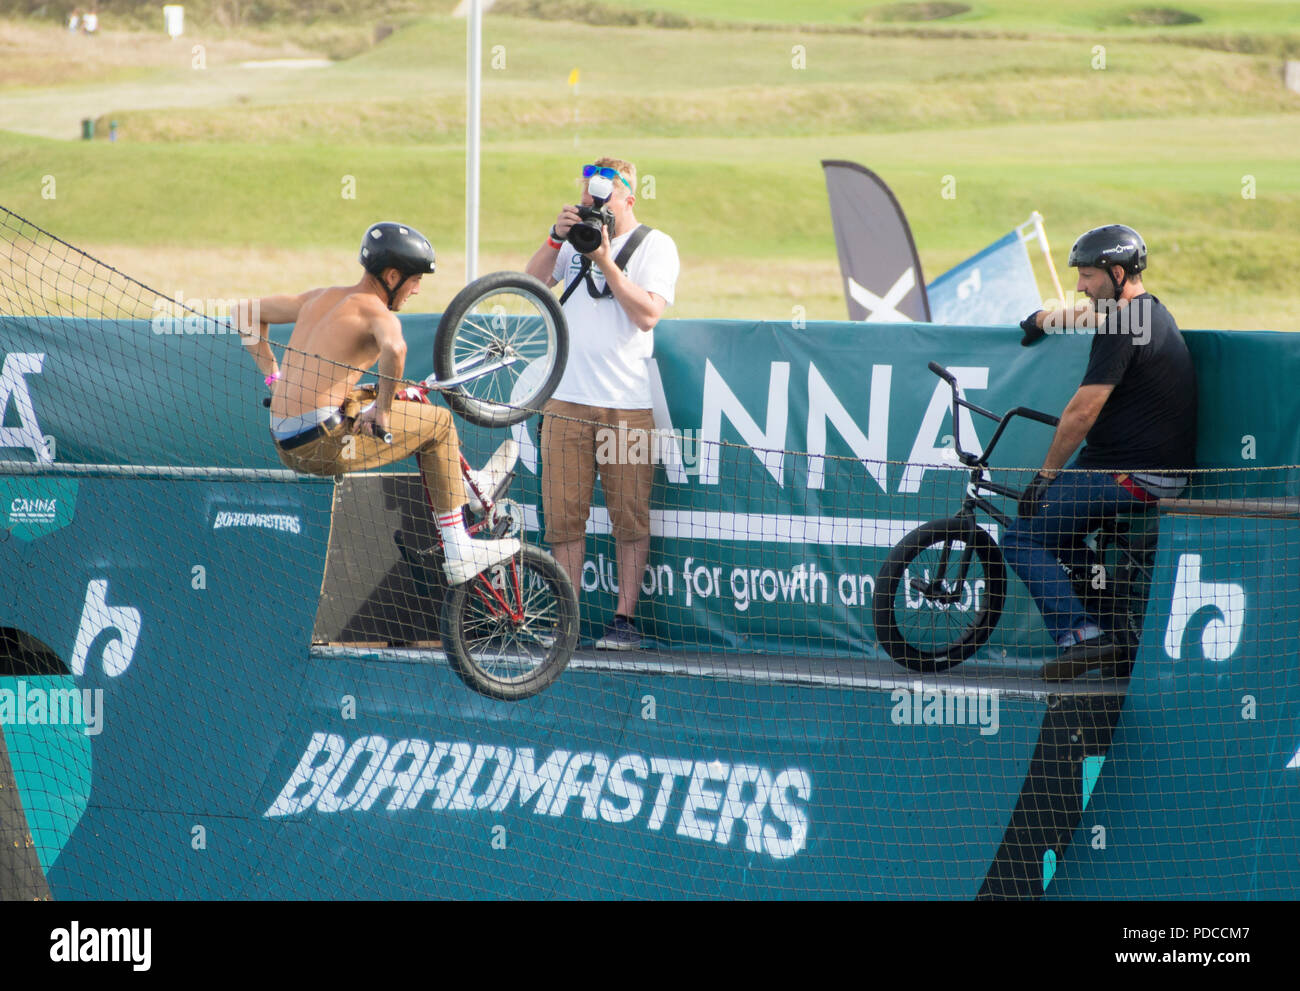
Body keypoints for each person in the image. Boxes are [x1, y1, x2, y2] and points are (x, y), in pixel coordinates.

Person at [239, 221, 521, 586]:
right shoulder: (376, 313)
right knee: (438, 424)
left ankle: (459, 486)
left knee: (386, 394)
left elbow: (243, 311)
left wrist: (273, 378)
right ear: (392, 276)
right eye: (415, 280)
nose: (417, 290)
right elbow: (396, 349)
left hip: (285, 442)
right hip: (324, 444)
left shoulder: (320, 296)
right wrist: (383, 412)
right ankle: (458, 547)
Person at [1008, 224, 1197, 681]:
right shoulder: (1147, 312)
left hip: (1131, 475)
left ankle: (1080, 637)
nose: (1079, 286)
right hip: (1153, 471)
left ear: (1116, 273)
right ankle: (1112, 634)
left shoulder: (1120, 327)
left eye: (1088, 277)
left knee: (1022, 536)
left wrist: (1046, 476)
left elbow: (1082, 411)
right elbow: (1089, 316)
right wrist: (1042, 319)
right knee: (1062, 533)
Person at [524, 158, 680, 650]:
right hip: (565, 401)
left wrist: (607, 260)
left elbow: (648, 315)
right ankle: (566, 619)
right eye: (589, 199)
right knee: (562, 515)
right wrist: (556, 237)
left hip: (627, 406)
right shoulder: (573, 242)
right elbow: (529, 284)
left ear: (629, 198)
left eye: (605, 199)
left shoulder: (656, 245)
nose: (596, 209)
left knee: (629, 515)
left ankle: (623, 620)